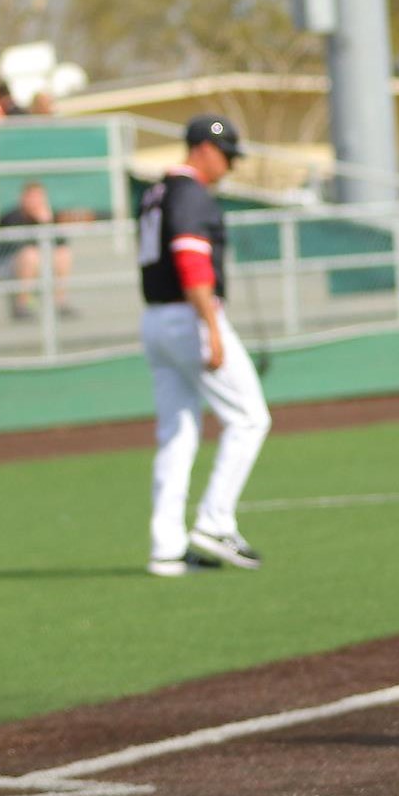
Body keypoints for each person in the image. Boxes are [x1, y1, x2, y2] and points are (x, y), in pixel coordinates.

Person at [139, 115, 271, 578]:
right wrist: (212, 327)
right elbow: (191, 262)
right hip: (189, 315)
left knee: (178, 433)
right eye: (227, 155)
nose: (229, 166)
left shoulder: (157, 191)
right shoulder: (191, 192)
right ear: (203, 148)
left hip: (155, 318)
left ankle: (167, 548)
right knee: (250, 417)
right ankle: (215, 523)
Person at [0, 179, 75, 320]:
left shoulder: (48, 216)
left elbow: (60, 243)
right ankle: (22, 304)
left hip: (36, 261)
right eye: (32, 197)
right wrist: (38, 221)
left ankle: (60, 302)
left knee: (63, 254)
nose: (36, 201)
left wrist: (46, 222)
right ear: (23, 198)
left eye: (39, 197)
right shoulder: (12, 217)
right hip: (3, 265)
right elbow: (18, 246)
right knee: (30, 255)